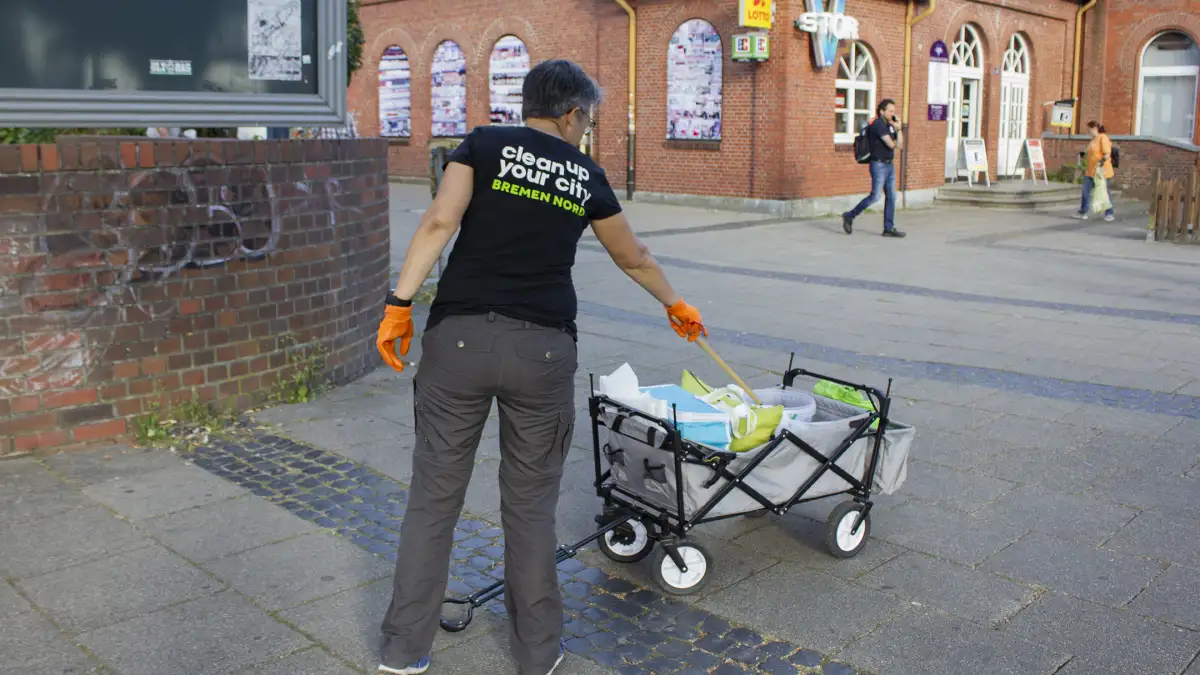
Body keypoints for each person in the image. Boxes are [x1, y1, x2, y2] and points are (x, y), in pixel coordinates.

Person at [374, 59, 708, 675]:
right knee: (529, 507)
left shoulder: (483, 145)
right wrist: (674, 303)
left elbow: (440, 221)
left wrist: (399, 304)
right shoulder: (585, 173)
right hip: (543, 352)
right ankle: (536, 653)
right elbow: (632, 256)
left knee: (433, 499)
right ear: (573, 113)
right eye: (589, 120)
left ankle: (403, 651)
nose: (587, 130)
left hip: (459, 343)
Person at [842, 99, 906, 238]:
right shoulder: (878, 125)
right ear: (882, 111)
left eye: (893, 111)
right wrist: (896, 132)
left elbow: (900, 145)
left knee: (891, 196)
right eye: (890, 111)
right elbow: (891, 145)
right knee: (875, 196)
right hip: (878, 165)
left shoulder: (889, 125)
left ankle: (888, 228)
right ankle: (849, 215)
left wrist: (899, 129)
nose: (893, 114)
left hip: (889, 165)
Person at [1073, 120, 1115, 222]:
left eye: (1089, 129)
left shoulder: (1103, 138)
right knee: (1085, 191)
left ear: (1094, 129)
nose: (1088, 131)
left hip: (1102, 171)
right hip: (1091, 171)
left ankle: (1109, 213)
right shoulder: (1093, 140)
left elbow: (1107, 153)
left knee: (1105, 192)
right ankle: (1083, 212)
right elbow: (1090, 153)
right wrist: (1083, 154)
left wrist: (1101, 162)